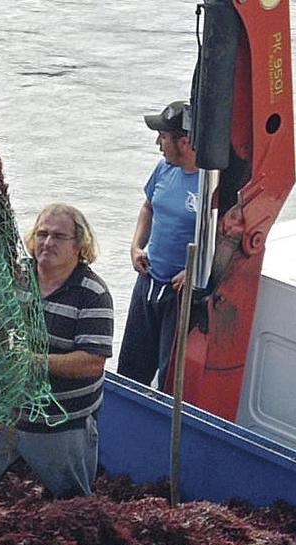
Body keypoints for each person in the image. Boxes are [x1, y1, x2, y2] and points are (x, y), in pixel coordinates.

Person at [0, 204, 114, 497]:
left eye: (58, 236)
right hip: (3, 405)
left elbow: (91, 362)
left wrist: (33, 362)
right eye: (42, 234)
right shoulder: (14, 277)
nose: (47, 242)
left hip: (61, 419)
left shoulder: (93, 293)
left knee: (71, 500)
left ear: (79, 245)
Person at [116, 100, 200, 388]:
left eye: (163, 137)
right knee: (130, 368)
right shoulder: (164, 170)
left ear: (184, 142)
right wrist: (136, 247)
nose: (158, 144)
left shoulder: (211, 184)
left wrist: (195, 271)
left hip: (179, 293)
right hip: (148, 279)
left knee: (169, 376)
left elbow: (224, 238)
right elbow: (148, 207)